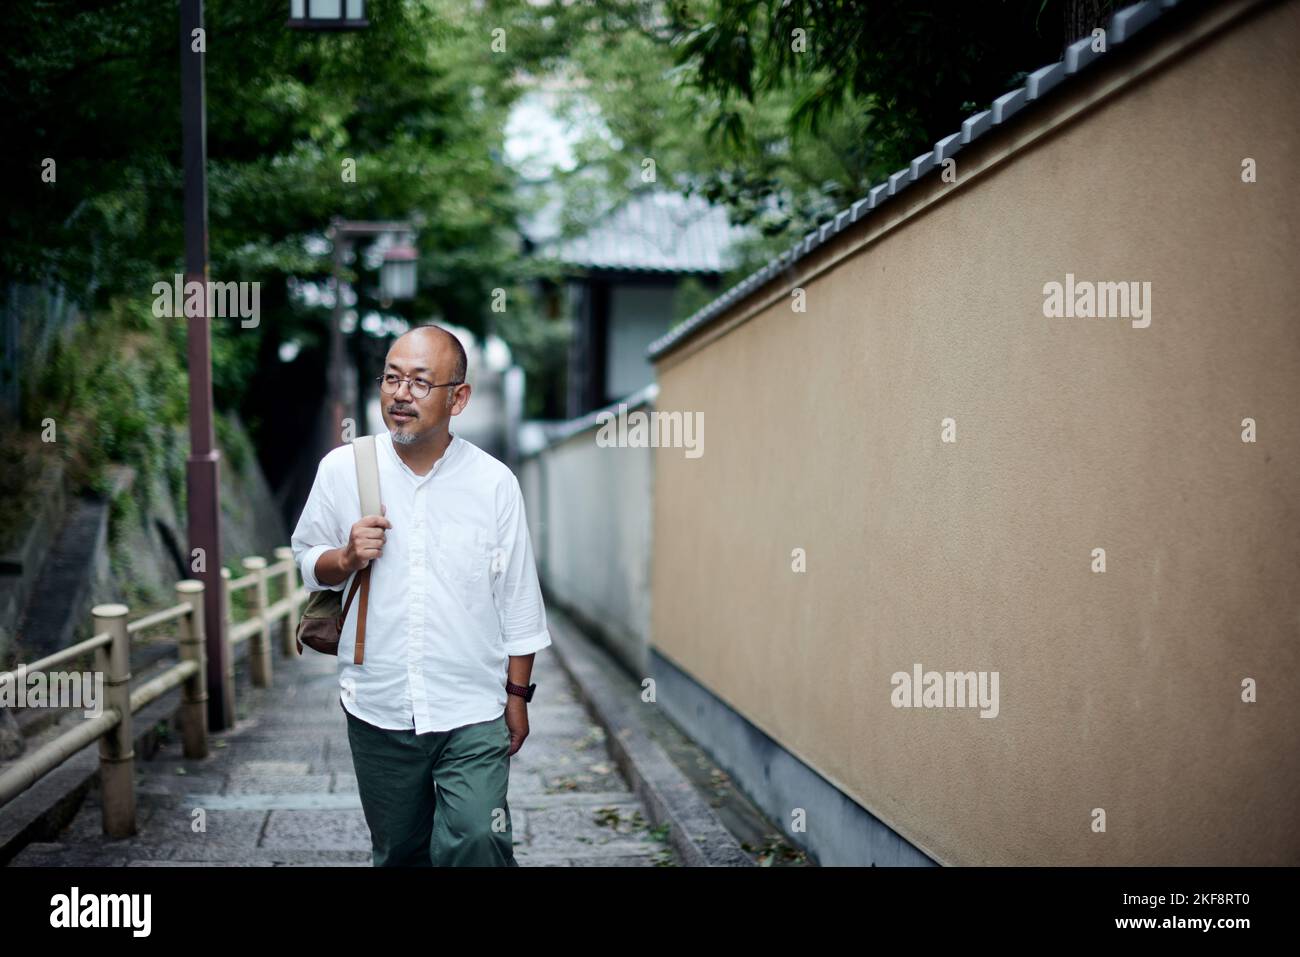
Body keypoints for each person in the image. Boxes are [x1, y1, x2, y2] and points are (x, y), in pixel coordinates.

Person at [290, 324, 551, 866]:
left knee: (478, 838)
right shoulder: (344, 469)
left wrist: (517, 696)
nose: (400, 393)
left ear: (458, 397)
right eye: (391, 378)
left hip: (472, 707)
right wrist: (345, 557)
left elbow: (519, 597)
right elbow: (306, 559)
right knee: (398, 853)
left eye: (419, 382)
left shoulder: (493, 482)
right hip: (377, 704)